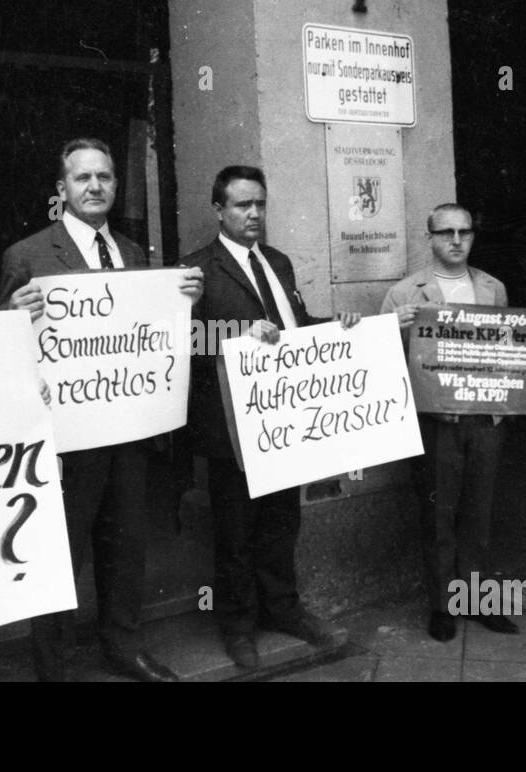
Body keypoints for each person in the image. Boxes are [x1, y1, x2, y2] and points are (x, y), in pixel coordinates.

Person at [0, 137, 203, 682]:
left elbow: (147, 332)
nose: (95, 187)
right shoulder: (28, 254)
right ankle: (52, 667)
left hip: (128, 430)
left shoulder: (135, 254)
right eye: (82, 178)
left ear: (115, 184)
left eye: (105, 177)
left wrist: (183, 299)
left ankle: (123, 646)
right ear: (62, 189)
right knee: (60, 554)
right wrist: (10, 313)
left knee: (125, 545)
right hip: (64, 437)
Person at [184, 165, 360, 670]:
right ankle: (238, 626)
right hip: (232, 427)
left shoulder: (278, 262)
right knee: (235, 532)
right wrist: (241, 333)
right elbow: (187, 343)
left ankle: (283, 609)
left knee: (283, 522)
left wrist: (336, 325)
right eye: (242, 205)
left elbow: (296, 329)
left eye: (260, 203)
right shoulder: (197, 270)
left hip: (283, 423)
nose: (254, 213)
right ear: (219, 210)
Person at [381, 203, 526, 643]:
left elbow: (509, 350)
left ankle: (476, 599)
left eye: (464, 232)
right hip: (438, 421)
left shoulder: (491, 287)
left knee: (478, 514)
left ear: (473, 236)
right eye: (445, 232)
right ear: (429, 237)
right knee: (438, 514)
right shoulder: (405, 292)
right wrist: (393, 325)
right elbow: (381, 359)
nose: (456, 240)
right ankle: (442, 605)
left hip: (484, 419)